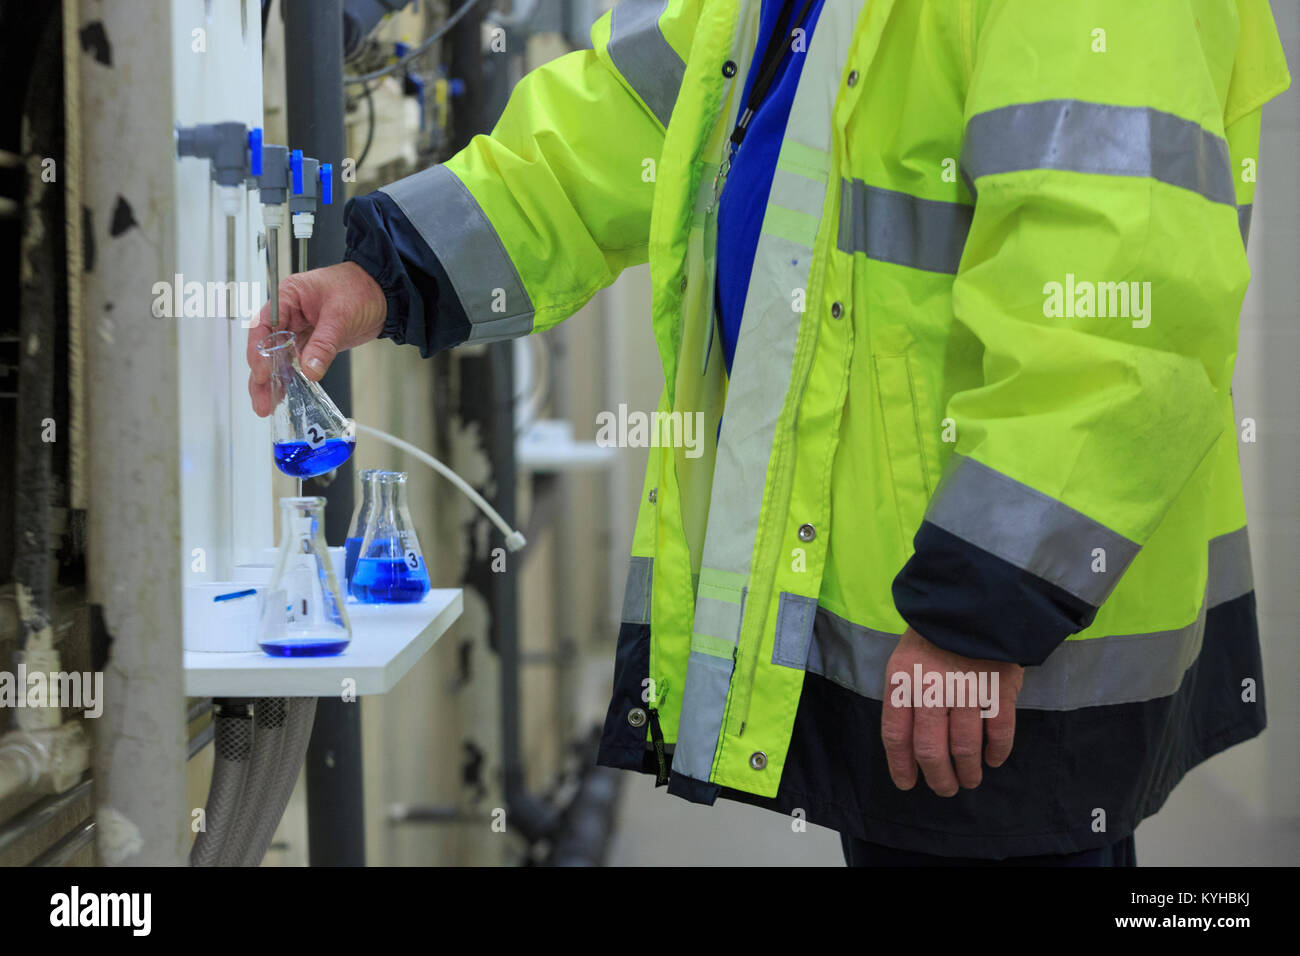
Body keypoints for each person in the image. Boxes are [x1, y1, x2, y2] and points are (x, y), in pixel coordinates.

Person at [247, 0, 1290, 866]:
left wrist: (983, 611)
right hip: (911, 632)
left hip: (1007, 652)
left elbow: (1117, 304)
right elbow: (626, 122)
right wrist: (388, 268)